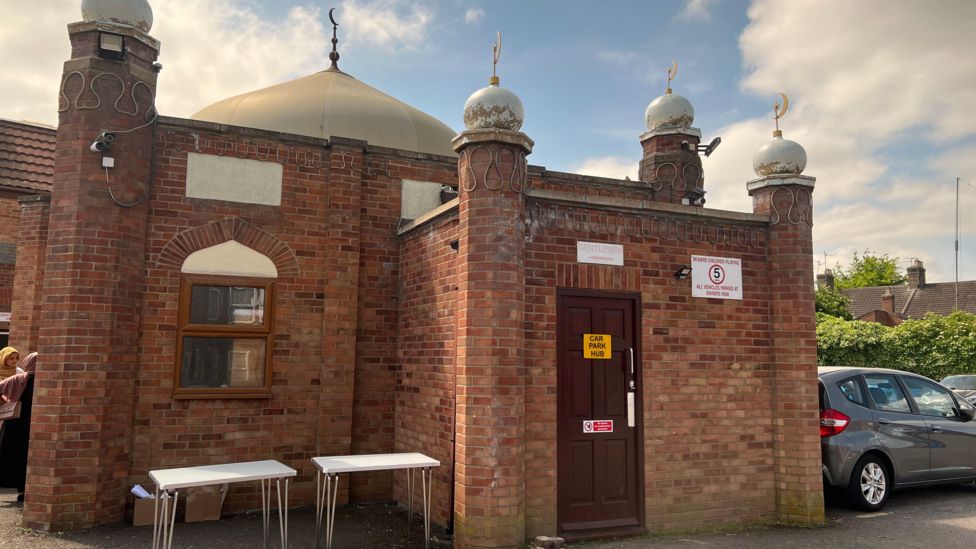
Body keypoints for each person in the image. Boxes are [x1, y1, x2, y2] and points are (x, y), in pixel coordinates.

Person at [0, 352, 37, 502]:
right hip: (35, 424)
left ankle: (21, 489)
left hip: (16, 424)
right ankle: (30, 489)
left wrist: (5, 400)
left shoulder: (19, 379)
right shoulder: (48, 380)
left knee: (16, 455)